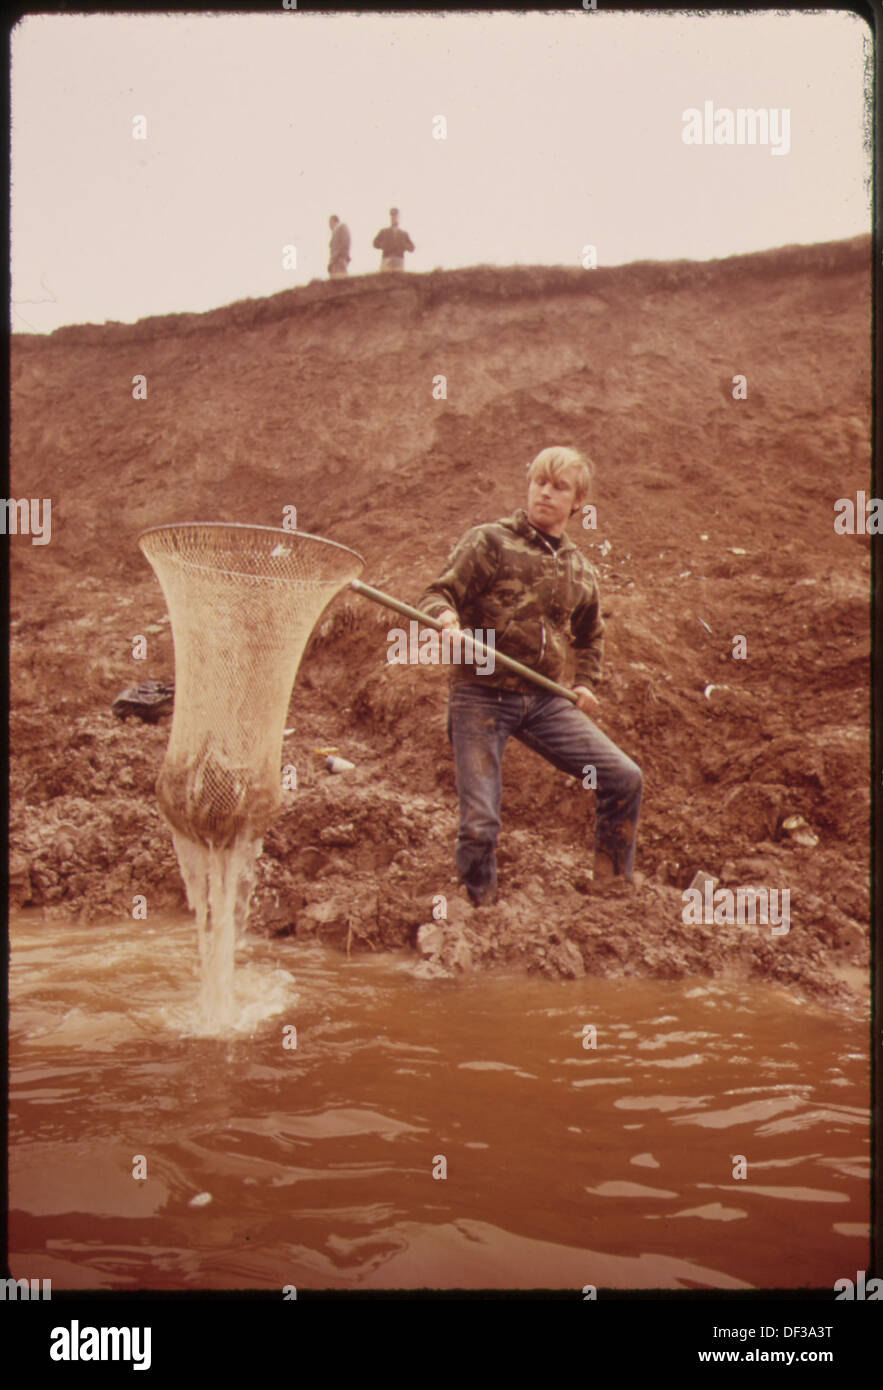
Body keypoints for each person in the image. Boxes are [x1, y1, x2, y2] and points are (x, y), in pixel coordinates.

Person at [417, 446, 643, 907]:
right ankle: (477, 912)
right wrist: (445, 619)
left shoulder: (579, 568)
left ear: (579, 501)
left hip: (543, 700)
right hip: (480, 694)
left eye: (559, 487)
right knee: (480, 821)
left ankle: (612, 892)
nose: (545, 492)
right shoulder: (488, 542)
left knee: (623, 777)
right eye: (540, 481)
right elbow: (437, 593)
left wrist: (585, 683)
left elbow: (590, 634)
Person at [372, 207, 415, 272]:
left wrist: (404, 246)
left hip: (399, 259)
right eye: (392, 216)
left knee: (398, 280)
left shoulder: (403, 234)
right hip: (387, 259)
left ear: (399, 218)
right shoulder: (384, 232)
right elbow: (375, 243)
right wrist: (383, 245)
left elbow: (412, 248)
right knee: (385, 279)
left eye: (396, 216)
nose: (394, 218)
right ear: (390, 218)